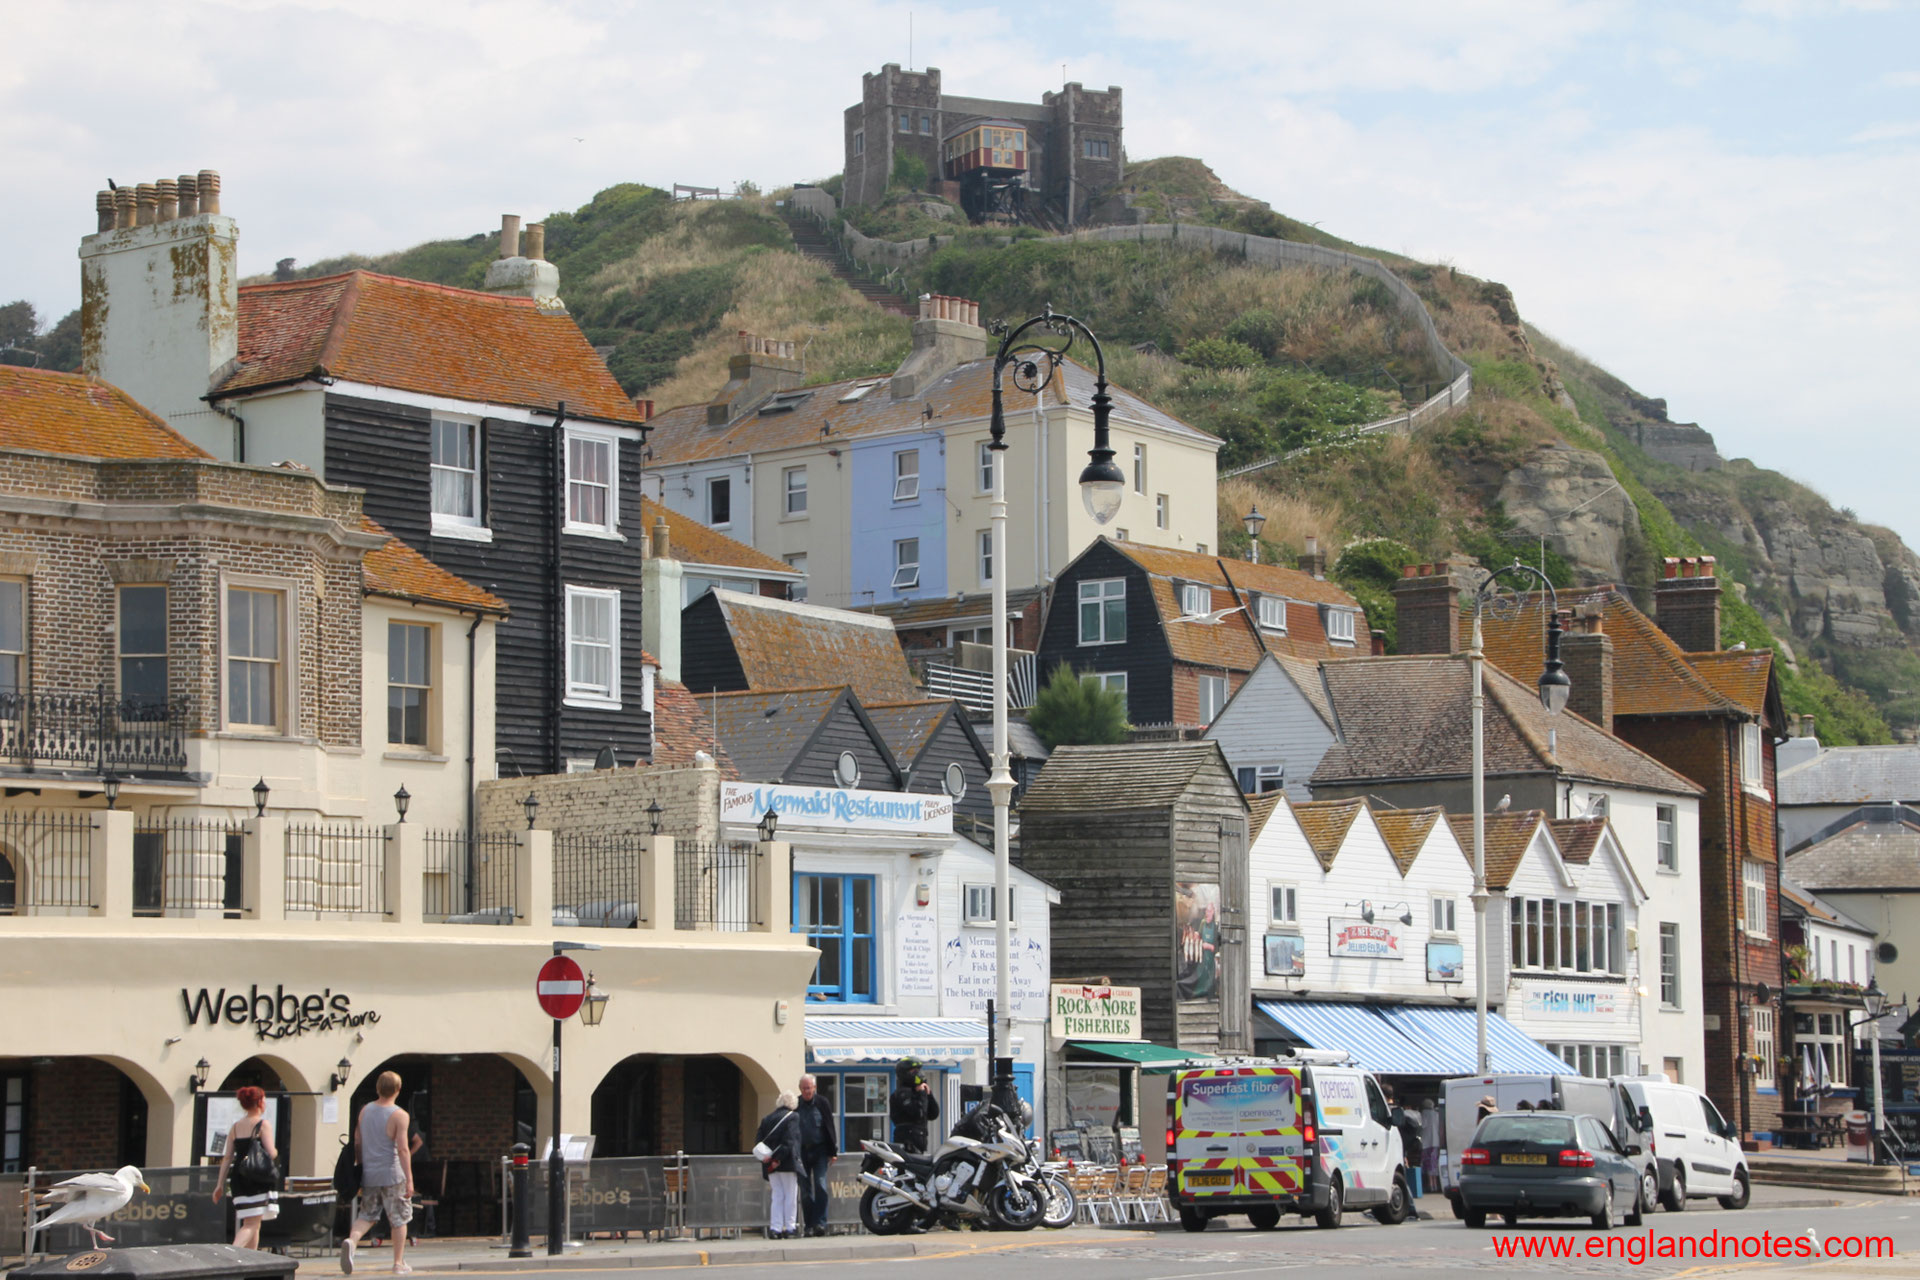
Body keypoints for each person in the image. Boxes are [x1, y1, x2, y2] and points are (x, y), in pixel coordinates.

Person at [341, 1071, 415, 1276]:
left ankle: (352, 1240)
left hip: (370, 1173)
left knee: (367, 1214)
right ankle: (398, 1263)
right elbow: (402, 1149)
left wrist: (360, 1166)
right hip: (392, 1174)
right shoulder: (400, 1115)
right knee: (399, 1218)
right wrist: (409, 1179)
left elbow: (357, 1140)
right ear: (398, 1090)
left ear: (377, 1088)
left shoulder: (365, 1111)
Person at [212, 1086, 278, 1249]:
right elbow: (272, 1153)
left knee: (254, 1223)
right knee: (251, 1225)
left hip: (239, 1179)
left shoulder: (235, 1127)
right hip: (258, 1180)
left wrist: (219, 1184)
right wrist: (275, 1151)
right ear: (260, 1102)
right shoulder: (263, 1124)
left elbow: (228, 1157)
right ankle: (232, 1251)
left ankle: (251, 1261)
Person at [756, 1091, 805, 1240]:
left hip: (769, 1163)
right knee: (790, 1196)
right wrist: (778, 1158)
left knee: (777, 1195)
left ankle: (775, 1228)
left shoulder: (767, 1119)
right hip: (787, 1162)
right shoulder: (793, 1117)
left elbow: (759, 1140)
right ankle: (790, 1228)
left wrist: (768, 1158)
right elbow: (790, 1141)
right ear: (792, 1104)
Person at [793, 1075, 837, 1238]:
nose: (806, 1091)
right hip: (802, 1152)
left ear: (814, 1088)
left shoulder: (822, 1103)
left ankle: (820, 1223)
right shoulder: (796, 1105)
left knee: (821, 1185)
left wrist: (833, 1152)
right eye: (804, 1088)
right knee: (805, 1191)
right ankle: (809, 1225)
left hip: (820, 1150)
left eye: (809, 1088)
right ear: (800, 1089)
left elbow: (829, 1126)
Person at [888, 1058, 940, 1156]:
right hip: (907, 1142)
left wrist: (928, 1095)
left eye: (919, 1070)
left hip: (919, 1141)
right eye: (914, 1071)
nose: (919, 1073)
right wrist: (921, 1094)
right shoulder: (902, 1093)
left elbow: (933, 1114)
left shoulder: (918, 1093)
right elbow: (917, 1113)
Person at [1419, 1099, 1442, 1186]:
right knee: (1434, 1163)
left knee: (1427, 1163)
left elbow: (1422, 1125)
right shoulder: (1436, 1114)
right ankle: (1435, 1184)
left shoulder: (1423, 1114)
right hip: (1435, 1142)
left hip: (1425, 1142)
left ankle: (1430, 1184)